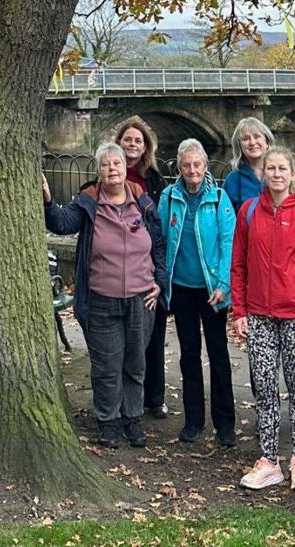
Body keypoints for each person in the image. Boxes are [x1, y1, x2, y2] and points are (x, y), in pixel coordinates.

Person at [44, 142, 166, 450]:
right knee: (106, 366)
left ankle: (133, 419)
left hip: (141, 298)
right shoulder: (88, 202)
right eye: (106, 165)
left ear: (126, 169)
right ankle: (108, 422)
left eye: (117, 164)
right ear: (98, 171)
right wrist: (47, 201)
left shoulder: (143, 202)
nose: (112, 168)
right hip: (101, 298)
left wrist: (160, 282)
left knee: (135, 363)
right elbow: (60, 224)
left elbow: (160, 245)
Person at [230, 146, 295, 492]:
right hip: (259, 315)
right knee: (266, 387)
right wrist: (239, 310)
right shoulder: (249, 212)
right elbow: (238, 264)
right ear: (263, 173)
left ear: (292, 174)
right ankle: (269, 460)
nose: (276, 174)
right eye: (270, 168)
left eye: (282, 168)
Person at [159, 139, 236, 447]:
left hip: (212, 289)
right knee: (189, 355)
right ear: (179, 167)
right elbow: (162, 240)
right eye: (186, 165)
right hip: (182, 289)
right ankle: (193, 421)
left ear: (206, 167)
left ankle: (225, 424)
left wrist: (224, 285)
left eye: (197, 164)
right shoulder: (169, 197)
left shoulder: (219, 199)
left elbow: (229, 244)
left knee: (218, 354)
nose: (192, 170)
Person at [113, 116, 171, 420]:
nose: (132, 144)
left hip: (147, 267)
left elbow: (159, 229)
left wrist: (159, 275)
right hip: (117, 270)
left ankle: (155, 397)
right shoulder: (108, 174)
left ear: (145, 146)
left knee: (152, 337)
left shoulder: (155, 181)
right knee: (122, 339)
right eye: (127, 139)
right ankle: (123, 397)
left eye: (138, 140)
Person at [223, 117, 276, 213]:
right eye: (246, 138)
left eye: (257, 137)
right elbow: (226, 219)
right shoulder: (232, 180)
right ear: (239, 145)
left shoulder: (281, 173)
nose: (252, 142)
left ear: (267, 142)